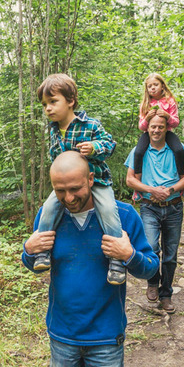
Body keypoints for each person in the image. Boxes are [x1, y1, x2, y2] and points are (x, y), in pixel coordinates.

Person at [22, 151, 158, 367]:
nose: (69, 198)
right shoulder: (49, 217)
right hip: (62, 333)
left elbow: (150, 269)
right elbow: (32, 261)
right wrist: (27, 250)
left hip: (105, 337)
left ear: (91, 181)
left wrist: (129, 255)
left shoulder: (122, 216)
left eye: (75, 189)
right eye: (60, 190)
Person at [31, 73, 127, 284]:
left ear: (71, 101)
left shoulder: (89, 125)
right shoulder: (54, 130)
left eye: (53, 102)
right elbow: (54, 157)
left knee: (109, 211)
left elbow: (109, 145)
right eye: (44, 104)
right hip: (67, 188)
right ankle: (42, 252)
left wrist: (94, 148)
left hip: (97, 181)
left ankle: (116, 261)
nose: (48, 108)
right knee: (48, 208)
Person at [124, 111, 184, 314]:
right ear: (147, 128)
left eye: (160, 127)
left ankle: (166, 295)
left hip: (174, 207)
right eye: (153, 127)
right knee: (152, 247)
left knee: (171, 255)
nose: (156, 130)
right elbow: (130, 180)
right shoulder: (139, 151)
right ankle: (153, 283)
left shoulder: (178, 150)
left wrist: (170, 190)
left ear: (167, 129)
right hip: (148, 207)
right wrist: (151, 190)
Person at [132, 73, 184, 181]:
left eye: (155, 84)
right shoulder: (145, 103)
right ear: (147, 89)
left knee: (179, 150)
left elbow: (176, 122)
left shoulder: (170, 101)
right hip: (149, 134)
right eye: (149, 86)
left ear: (162, 86)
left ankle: (183, 180)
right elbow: (141, 127)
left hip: (167, 133)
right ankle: (137, 184)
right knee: (138, 152)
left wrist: (167, 116)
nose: (153, 88)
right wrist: (147, 119)